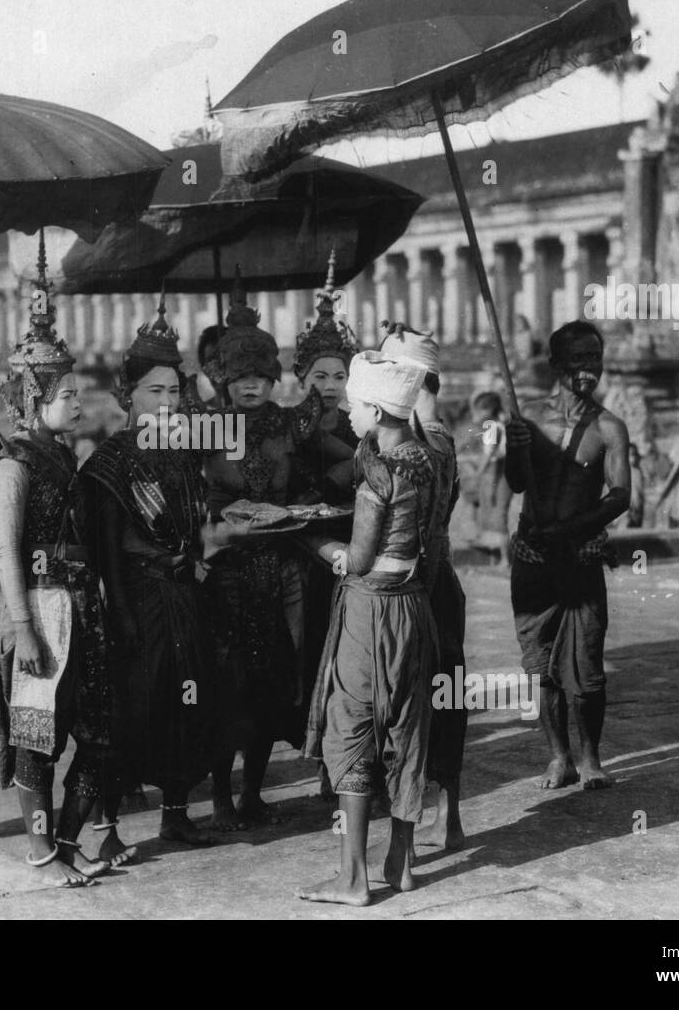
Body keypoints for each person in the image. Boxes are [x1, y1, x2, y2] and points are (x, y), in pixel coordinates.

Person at [82, 298, 241, 849]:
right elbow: (106, 554)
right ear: (126, 397)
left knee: (187, 703)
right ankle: (108, 826)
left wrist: (214, 546)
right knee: (133, 709)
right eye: (155, 391)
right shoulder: (108, 462)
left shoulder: (179, 455)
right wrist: (121, 615)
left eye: (174, 391)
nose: (168, 402)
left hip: (182, 594)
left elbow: (197, 524)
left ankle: (177, 811)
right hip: (139, 600)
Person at [201, 272, 353, 829]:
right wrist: (213, 529)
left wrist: (321, 494)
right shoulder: (204, 430)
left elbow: (351, 458)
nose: (251, 385)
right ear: (221, 378)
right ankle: (220, 794)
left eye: (261, 375)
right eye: (239, 376)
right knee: (229, 684)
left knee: (274, 681)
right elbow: (180, 493)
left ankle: (253, 794)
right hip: (229, 573)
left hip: (284, 569)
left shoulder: (291, 424)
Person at [0, 261, 115, 887]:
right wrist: (25, 628)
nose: (78, 402)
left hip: (81, 606)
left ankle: (66, 840)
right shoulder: (13, 467)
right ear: (35, 397)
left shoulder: (71, 458)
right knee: (36, 734)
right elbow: (7, 553)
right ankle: (40, 854)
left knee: (97, 732)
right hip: (36, 607)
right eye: (67, 394)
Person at [298, 350, 439, 905]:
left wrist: (308, 538)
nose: (350, 415)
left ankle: (352, 879)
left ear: (377, 409)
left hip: (370, 609)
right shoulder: (426, 460)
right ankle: (400, 864)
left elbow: (355, 561)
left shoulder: (378, 475)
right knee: (405, 729)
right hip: (411, 605)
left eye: (356, 406)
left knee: (353, 727)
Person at [504, 319, 630, 791]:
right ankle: (560, 757)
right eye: (576, 360)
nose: (587, 370)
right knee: (542, 668)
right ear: (556, 364)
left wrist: (571, 529)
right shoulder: (528, 419)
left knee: (587, 669)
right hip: (534, 559)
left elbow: (620, 496)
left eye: (593, 359)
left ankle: (591, 757)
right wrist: (515, 450)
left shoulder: (609, 427)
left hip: (579, 559)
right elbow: (517, 481)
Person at [380, 324, 467, 851]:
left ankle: (407, 836)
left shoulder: (421, 445)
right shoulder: (440, 436)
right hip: (442, 585)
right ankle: (446, 817)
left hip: (418, 588)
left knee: (411, 708)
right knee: (444, 698)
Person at [290, 258, 360, 800]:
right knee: (313, 656)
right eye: (320, 376)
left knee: (350, 665)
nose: (331, 386)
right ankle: (318, 758)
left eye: (340, 375)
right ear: (301, 379)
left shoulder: (365, 428)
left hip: (355, 555)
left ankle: (349, 763)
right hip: (305, 560)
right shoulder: (287, 429)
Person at [469, 391, 512, 567]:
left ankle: (504, 558)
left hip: (496, 470)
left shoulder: (491, 426)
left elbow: (488, 454)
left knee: (497, 511)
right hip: (504, 468)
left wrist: (477, 474)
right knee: (497, 511)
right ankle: (500, 556)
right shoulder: (501, 423)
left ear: (488, 410)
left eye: (480, 410)